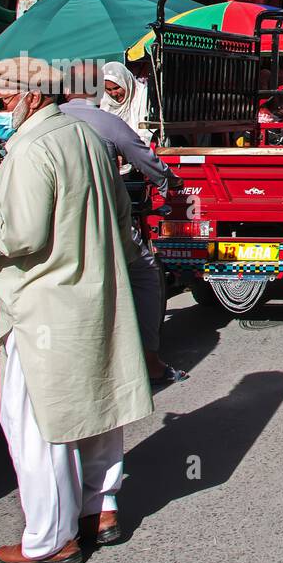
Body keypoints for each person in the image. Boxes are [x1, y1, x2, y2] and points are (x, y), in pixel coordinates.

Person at [0, 58, 152, 563]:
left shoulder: (35, 148)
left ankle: (51, 537)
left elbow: (22, 236)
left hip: (45, 308)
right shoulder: (82, 135)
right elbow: (119, 216)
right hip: (93, 293)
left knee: (36, 422)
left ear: (33, 97)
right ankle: (100, 509)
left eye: (3, 98)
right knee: (95, 407)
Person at [63, 63, 188, 387]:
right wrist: (168, 183)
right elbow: (145, 158)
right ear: (95, 90)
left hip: (56, 226)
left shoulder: (46, 122)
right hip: (101, 222)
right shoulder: (107, 121)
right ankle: (149, 361)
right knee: (146, 273)